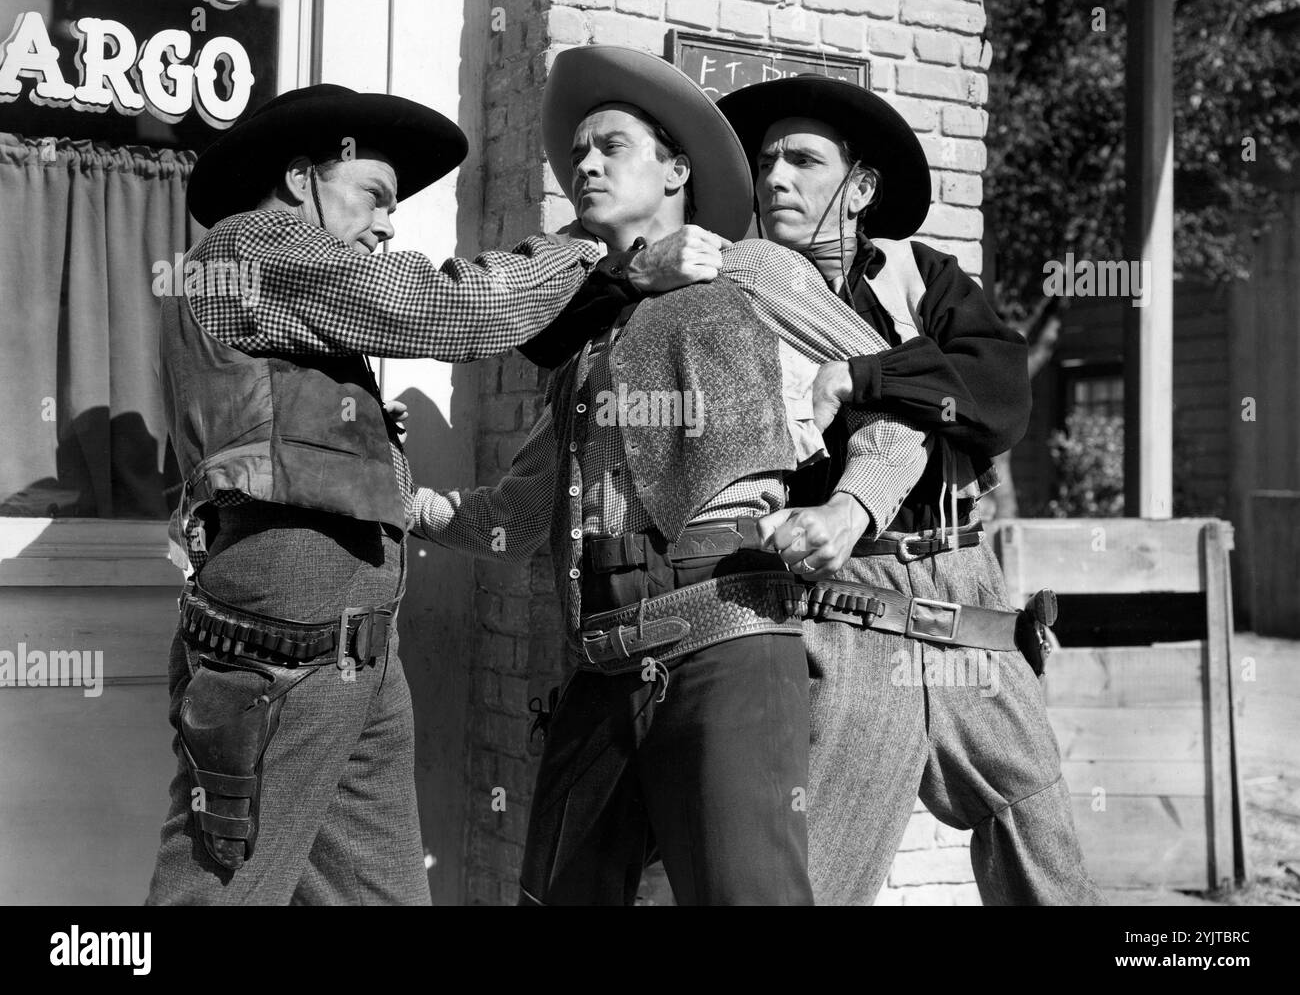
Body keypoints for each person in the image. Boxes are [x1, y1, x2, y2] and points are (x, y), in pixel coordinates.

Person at [145, 82, 700, 905]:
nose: (388, 222)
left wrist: (369, 448)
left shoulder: (286, 291)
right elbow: (443, 307)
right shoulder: (253, 243)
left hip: (354, 640)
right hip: (290, 624)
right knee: (218, 889)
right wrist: (588, 239)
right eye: (373, 195)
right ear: (302, 178)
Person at [412, 46, 928, 905]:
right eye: (578, 150)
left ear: (677, 168)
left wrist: (849, 508)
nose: (584, 163)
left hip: (726, 639)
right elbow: (515, 512)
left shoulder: (752, 270)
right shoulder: (581, 342)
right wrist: (393, 496)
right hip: (600, 663)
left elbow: (898, 396)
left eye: (611, 145)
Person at [717, 74, 1105, 905]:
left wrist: (858, 375)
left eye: (804, 161)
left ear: (859, 189)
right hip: (846, 607)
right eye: (767, 161)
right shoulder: (738, 295)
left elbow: (999, 394)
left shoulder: (918, 275)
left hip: (968, 594)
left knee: (1050, 864)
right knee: (817, 873)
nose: (776, 177)